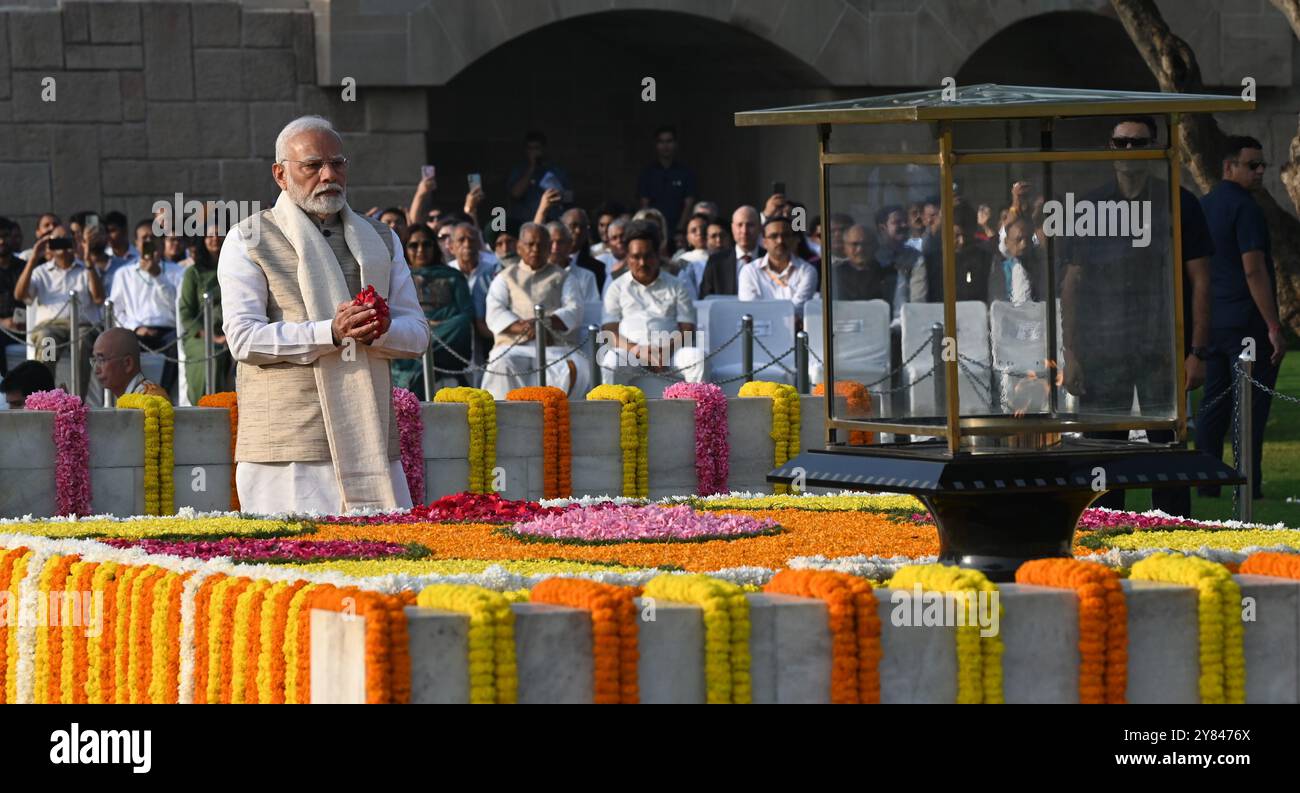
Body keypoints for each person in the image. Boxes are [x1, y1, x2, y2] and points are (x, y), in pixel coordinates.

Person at [217, 114, 430, 514]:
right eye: (313, 165)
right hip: (289, 447)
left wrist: (380, 329)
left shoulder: (382, 238)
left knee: (384, 568)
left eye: (338, 163)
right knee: (295, 570)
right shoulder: (249, 238)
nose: (329, 175)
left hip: (371, 441)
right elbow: (244, 339)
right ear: (280, 175)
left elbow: (417, 333)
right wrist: (329, 333)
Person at [1060, 116, 1216, 517]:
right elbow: (1072, 282)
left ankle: (1175, 531)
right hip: (1102, 347)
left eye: (1139, 143)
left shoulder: (1179, 204)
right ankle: (1104, 533)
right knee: (1102, 456)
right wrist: (1071, 352)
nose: (1130, 151)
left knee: (1167, 452)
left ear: (1155, 147)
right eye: (1122, 143)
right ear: (1110, 147)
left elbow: (1201, 280)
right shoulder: (1091, 207)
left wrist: (1197, 350)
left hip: (1160, 345)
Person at [1197, 134, 1286, 501]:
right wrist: (1273, 325)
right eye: (1252, 165)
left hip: (1211, 320)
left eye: (1262, 164)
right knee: (1249, 410)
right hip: (1245, 321)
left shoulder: (1203, 205)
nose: (1260, 171)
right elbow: (1255, 271)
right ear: (1229, 167)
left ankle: (1205, 483)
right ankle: (1248, 486)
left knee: (1212, 406)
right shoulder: (1245, 208)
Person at [482, 222, 587, 399]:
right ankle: (510, 418)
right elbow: (495, 312)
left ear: (548, 248)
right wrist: (528, 328)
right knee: (501, 365)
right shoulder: (505, 277)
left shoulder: (564, 277)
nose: (535, 249)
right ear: (519, 247)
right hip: (514, 346)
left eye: (541, 245)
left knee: (573, 369)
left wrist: (543, 324)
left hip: (555, 347)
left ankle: (554, 418)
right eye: (530, 244)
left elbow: (574, 310)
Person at [600, 221, 706, 384]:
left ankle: (701, 409)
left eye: (648, 256)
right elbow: (609, 331)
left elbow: (687, 329)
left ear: (658, 255)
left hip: (670, 354)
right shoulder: (617, 287)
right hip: (630, 353)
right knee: (611, 362)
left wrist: (664, 352)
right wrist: (637, 350)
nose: (642, 263)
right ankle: (612, 410)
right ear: (628, 258)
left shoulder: (676, 285)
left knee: (698, 358)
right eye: (636, 257)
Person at [13, 224, 104, 393]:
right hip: (51, 327)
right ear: (50, 245)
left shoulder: (87, 269)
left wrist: (88, 261)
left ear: (75, 242)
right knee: (48, 340)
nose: (63, 246)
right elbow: (19, 295)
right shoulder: (41, 271)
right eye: (58, 241)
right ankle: (44, 396)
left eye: (66, 240)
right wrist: (33, 258)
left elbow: (99, 298)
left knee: (83, 341)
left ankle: (77, 400)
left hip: (82, 326)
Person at [392, 224, 474, 396]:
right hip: (413, 332)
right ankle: (419, 360)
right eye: (414, 245)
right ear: (405, 248)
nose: (421, 250)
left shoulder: (452, 276)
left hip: (447, 336)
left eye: (426, 244)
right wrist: (423, 324)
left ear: (434, 247)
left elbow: (466, 313)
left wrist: (437, 324)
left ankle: (417, 363)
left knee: (462, 323)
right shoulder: (398, 277)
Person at [108, 237, 185, 393]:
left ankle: (162, 393)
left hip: (168, 331)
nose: (148, 242)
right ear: (136, 244)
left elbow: (177, 306)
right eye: (144, 239)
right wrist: (136, 328)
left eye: (152, 239)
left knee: (179, 344)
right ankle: (131, 394)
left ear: (160, 243)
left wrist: (158, 276)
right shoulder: (123, 273)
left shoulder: (177, 271)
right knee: (120, 346)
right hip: (135, 330)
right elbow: (116, 311)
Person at [178, 225, 232, 405]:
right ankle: (207, 407)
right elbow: (186, 313)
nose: (215, 238)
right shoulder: (193, 274)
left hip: (234, 331)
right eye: (209, 235)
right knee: (212, 356)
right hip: (201, 336)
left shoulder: (236, 268)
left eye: (219, 233)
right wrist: (213, 337)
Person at [739, 215, 819, 322]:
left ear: (794, 239)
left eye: (785, 235)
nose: (780, 240)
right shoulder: (749, 271)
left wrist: (767, 314)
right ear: (764, 242)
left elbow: (798, 309)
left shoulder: (807, 271)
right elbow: (751, 310)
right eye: (773, 236)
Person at [637, 125, 698, 235]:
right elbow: (644, 205)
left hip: (679, 230)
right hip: (655, 231)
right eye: (661, 142)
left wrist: (680, 228)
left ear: (675, 144)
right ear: (656, 145)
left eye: (669, 141)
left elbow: (688, 204)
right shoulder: (647, 174)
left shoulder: (685, 173)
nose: (665, 146)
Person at [873, 205, 927, 325]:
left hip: (908, 325)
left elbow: (918, 300)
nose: (904, 226)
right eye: (897, 222)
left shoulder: (916, 258)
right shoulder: (873, 257)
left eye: (905, 221)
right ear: (882, 228)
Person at [698, 205, 761, 299]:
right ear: (732, 228)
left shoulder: (770, 259)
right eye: (740, 225)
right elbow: (705, 299)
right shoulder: (716, 262)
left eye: (750, 225)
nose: (744, 231)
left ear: (760, 227)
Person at [508, 130, 568, 226]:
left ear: (544, 149)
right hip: (526, 222)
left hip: (552, 222)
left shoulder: (556, 171)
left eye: (536, 148)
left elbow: (569, 197)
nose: (533, 152)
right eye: (530, 149)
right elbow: (516, 193)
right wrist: (532, 167)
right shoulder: (519, 170)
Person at [92, 328, 169, 400]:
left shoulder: (152, 398)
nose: (96, 370)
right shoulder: (129, 396)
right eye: (94, 360)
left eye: (101, 360)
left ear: (127, 363)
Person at [985, 215, 1045, 305]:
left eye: (1028, 239)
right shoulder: (999, 269)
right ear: (1007, 242)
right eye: (1019, 239)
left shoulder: (1041, 268)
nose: (1024, 244)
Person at [545, 221, 599, 305]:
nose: (555, 247)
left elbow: (592, 311)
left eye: (560, 242)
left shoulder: (586, 276)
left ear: (570, 244)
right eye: (550, 242)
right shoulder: (533, 275)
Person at [561, 208, 607, 293]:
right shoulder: (551, 262)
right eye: (573, 226)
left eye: (582, 227)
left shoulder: (597, 269)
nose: (578, 231)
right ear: (562, 227)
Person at [832, 224, 882, 301]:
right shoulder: (833, 274)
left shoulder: (887, 273)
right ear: (845, 247)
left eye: (866, 244)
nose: (860, 249)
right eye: (854, 244)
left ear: (875, 246)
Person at [0, 216, 24, 374]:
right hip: (2, 330)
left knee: (48, 341)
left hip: (28, 328)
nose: (2, 241)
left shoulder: (25, 268)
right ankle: (3, 388)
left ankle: (46, 392)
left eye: (5, 236)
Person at [672, 212, 713, 299]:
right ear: (687, 238)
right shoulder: (682, 261)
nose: (699, 233)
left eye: (704, 229)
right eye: (693, 230)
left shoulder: (723, 258)